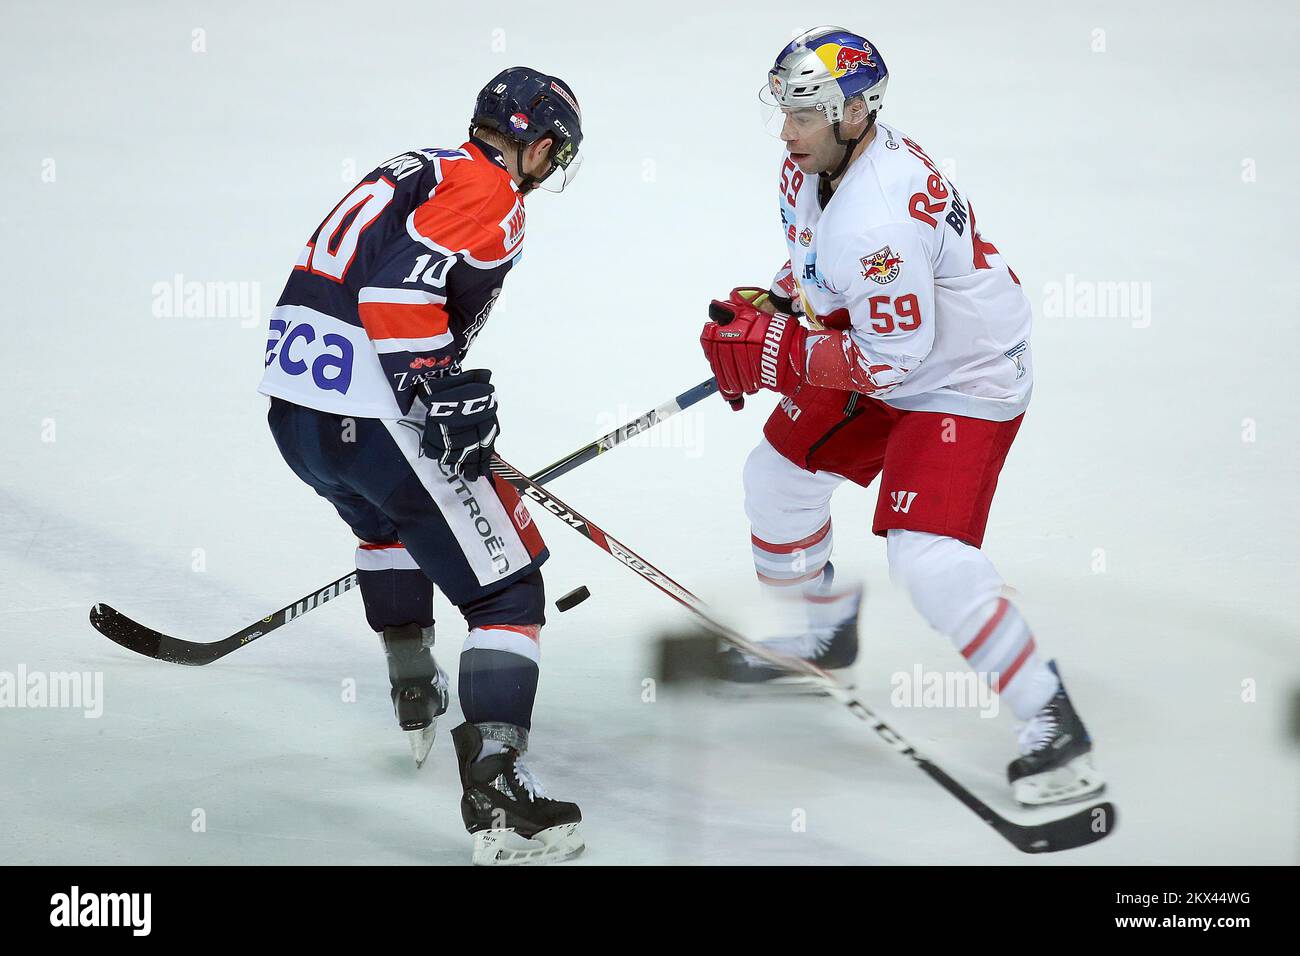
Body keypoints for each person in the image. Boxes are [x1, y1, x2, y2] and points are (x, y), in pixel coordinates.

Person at [697, 27, 1103, 806]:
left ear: (855, 114)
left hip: (963, 380)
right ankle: (822, 638)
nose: (787, 131)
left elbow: (895, 363)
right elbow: (818, 258)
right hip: (897, 346)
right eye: (784, 111)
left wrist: (776, 350)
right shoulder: (814, 169)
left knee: (926, 556)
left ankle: (1054, 724)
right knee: (777, 481)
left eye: (805, 115)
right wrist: (774, 304)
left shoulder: (876, 217)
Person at [258, 67, 586, 863]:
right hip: (374, 419)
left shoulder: (415, 166)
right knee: (507, 588)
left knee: (388, 524)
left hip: (295, 411)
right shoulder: (492, 194)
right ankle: (501, 802)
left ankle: (414, 689)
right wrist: (439, 388)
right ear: (537, 146)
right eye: (553, 154)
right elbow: (394, 298)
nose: (547, 172)